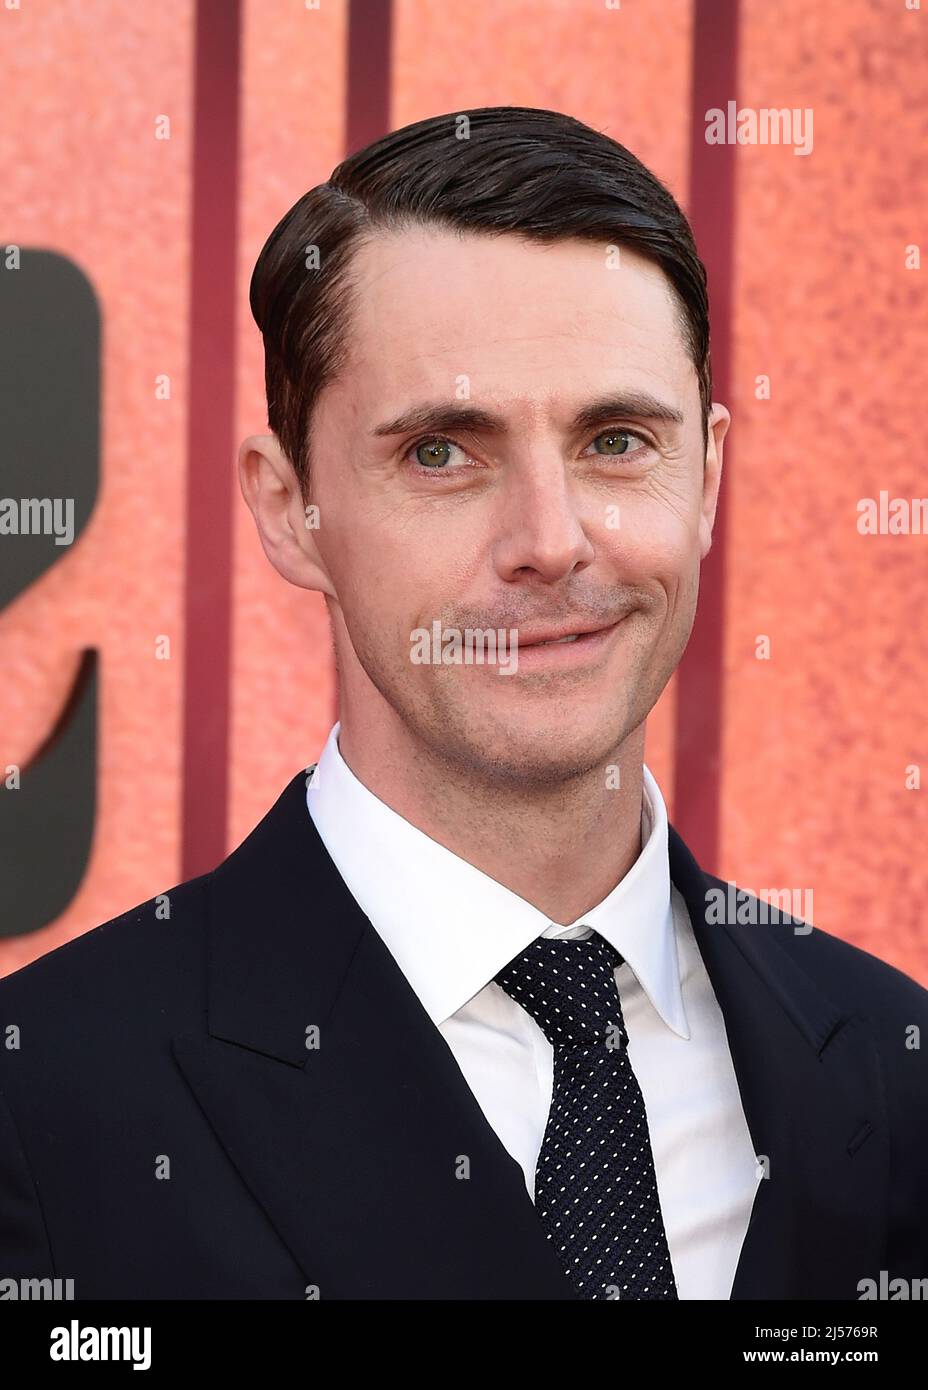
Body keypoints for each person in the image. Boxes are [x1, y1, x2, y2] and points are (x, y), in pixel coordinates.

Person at [1, 107, 925, 1301]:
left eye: (615, 439)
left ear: (706, 475)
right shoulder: (47, 1109)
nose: (550, 541)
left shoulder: (891, 1073)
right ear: (289, 508)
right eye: (442, 451)